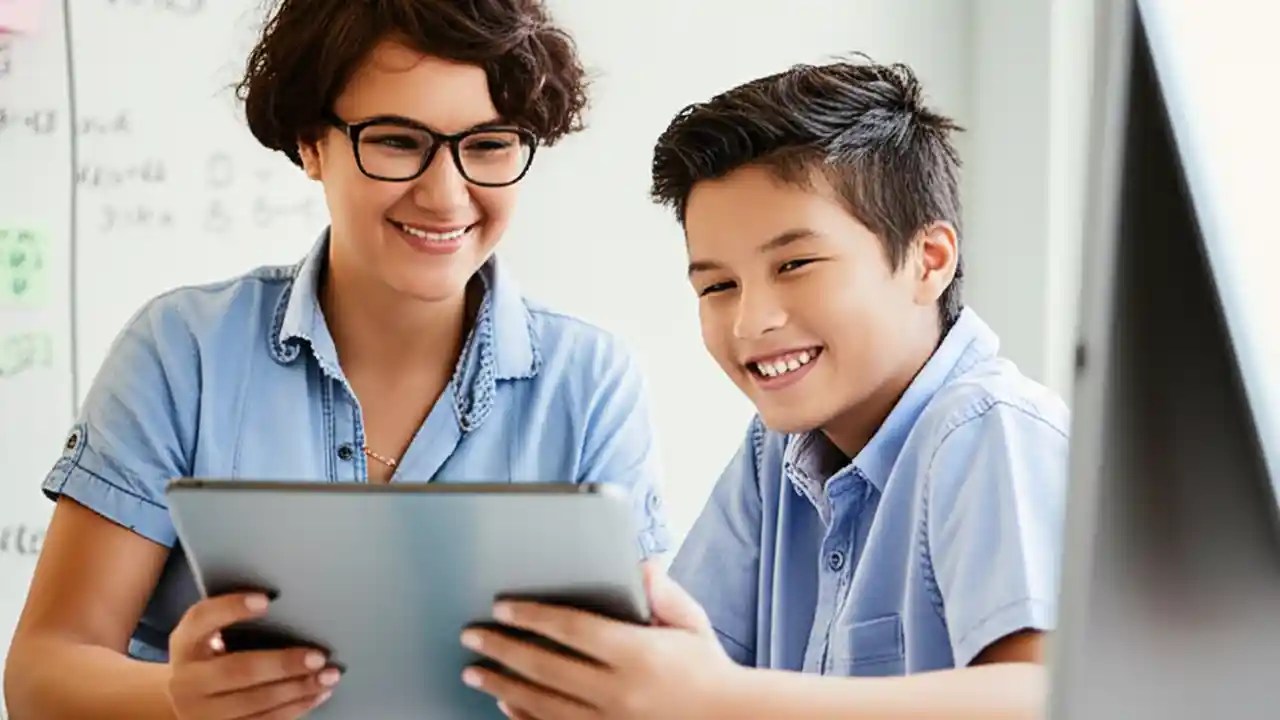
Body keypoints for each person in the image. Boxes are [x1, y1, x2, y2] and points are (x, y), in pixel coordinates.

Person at [2, 1, 670, 718]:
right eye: (395, 141)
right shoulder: (183, 354)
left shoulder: (590, 383)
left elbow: (636, 686)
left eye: (490, 144)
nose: (445, 194)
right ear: (311, 143)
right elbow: (42, 677)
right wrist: (178, 700)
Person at [457, 57, 1070, 719]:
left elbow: (1048, 698)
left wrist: (718, 699)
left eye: (795, 264)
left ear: (929, 262)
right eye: (717, 286)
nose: (751, 321)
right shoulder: (774, 457)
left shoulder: (988, 427)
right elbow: (684, 673)